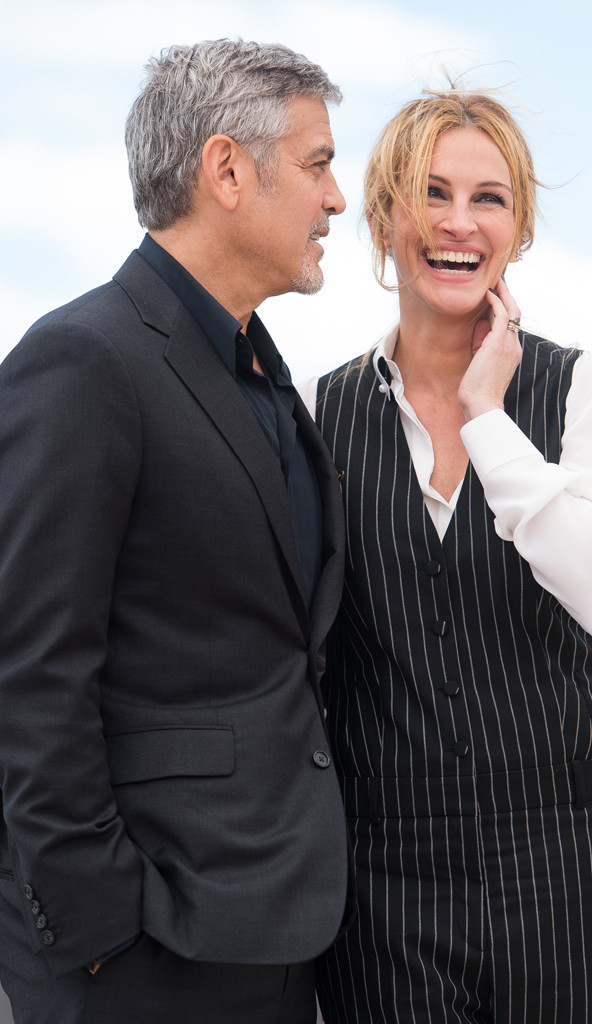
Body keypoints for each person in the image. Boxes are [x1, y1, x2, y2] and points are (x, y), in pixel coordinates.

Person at [0, 38, 351, 1024]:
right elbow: (30, 673)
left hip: (273, 932)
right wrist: (102, 926)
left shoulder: (265, 378)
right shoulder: (82, 361)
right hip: (144, 949)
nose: (336, 200)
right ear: (227, 170)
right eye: (320, 162)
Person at [301, 91, 592, 1023]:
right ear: (382, 218)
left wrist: (491, 422)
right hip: (385, 885)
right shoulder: (316, 417)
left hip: (573, 869)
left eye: (489, 198)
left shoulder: (587, 393)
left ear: (517, 228)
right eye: (431, 192)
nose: (458, 222)